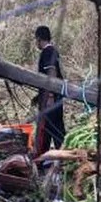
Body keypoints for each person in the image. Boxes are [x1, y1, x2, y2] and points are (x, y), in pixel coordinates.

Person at [33, 25, 66, 154]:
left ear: (39, 39)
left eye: (36, 40)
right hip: (51, 97)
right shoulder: (53, 51)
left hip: (51, 99)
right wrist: (38, 97)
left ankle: (63, 157)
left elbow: (52, 73)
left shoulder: (48, 52)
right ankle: (43, 158)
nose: (36, 43)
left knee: (54, 129)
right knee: (48, 129)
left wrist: (50, 96)